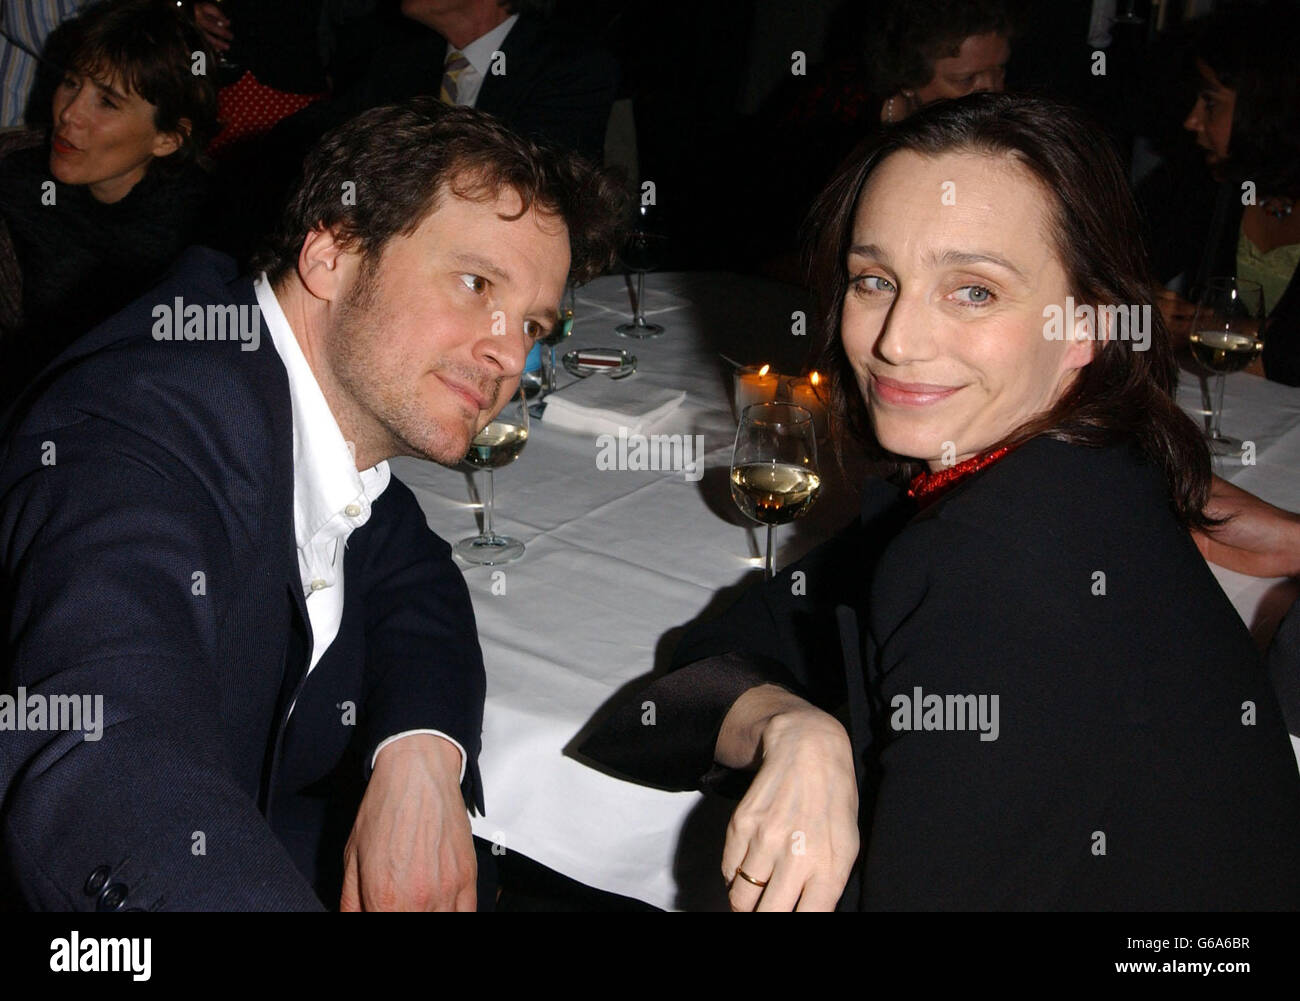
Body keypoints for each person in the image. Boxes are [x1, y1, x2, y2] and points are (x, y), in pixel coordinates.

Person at [582, 92, 1300, 910]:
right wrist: (795, 729)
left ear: (1086, 327)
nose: (895, 340)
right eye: (875, 279)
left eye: (974, 290)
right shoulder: (1035, 465)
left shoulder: (992, 559)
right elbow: (730, 646)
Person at [0, 97, 624, 911]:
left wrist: (419, 753)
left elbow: (414, 575)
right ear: (330, 251)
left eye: (536, 322)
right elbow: (104, 756)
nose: (512, 350)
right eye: (475, 283)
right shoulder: (135, 430)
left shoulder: (307, 398)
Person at [0, 0, 217, 400]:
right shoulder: (16, 180)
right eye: (70, 81)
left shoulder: (210, 226)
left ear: (168, 138)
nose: (69, 114)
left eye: (107, 102)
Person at [1172, 0, 1300, 383]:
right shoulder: (1213, 179)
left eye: (1210, 102)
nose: (1191, 120)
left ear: (1267, 108)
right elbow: (1106, 262)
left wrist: (1204, 323)